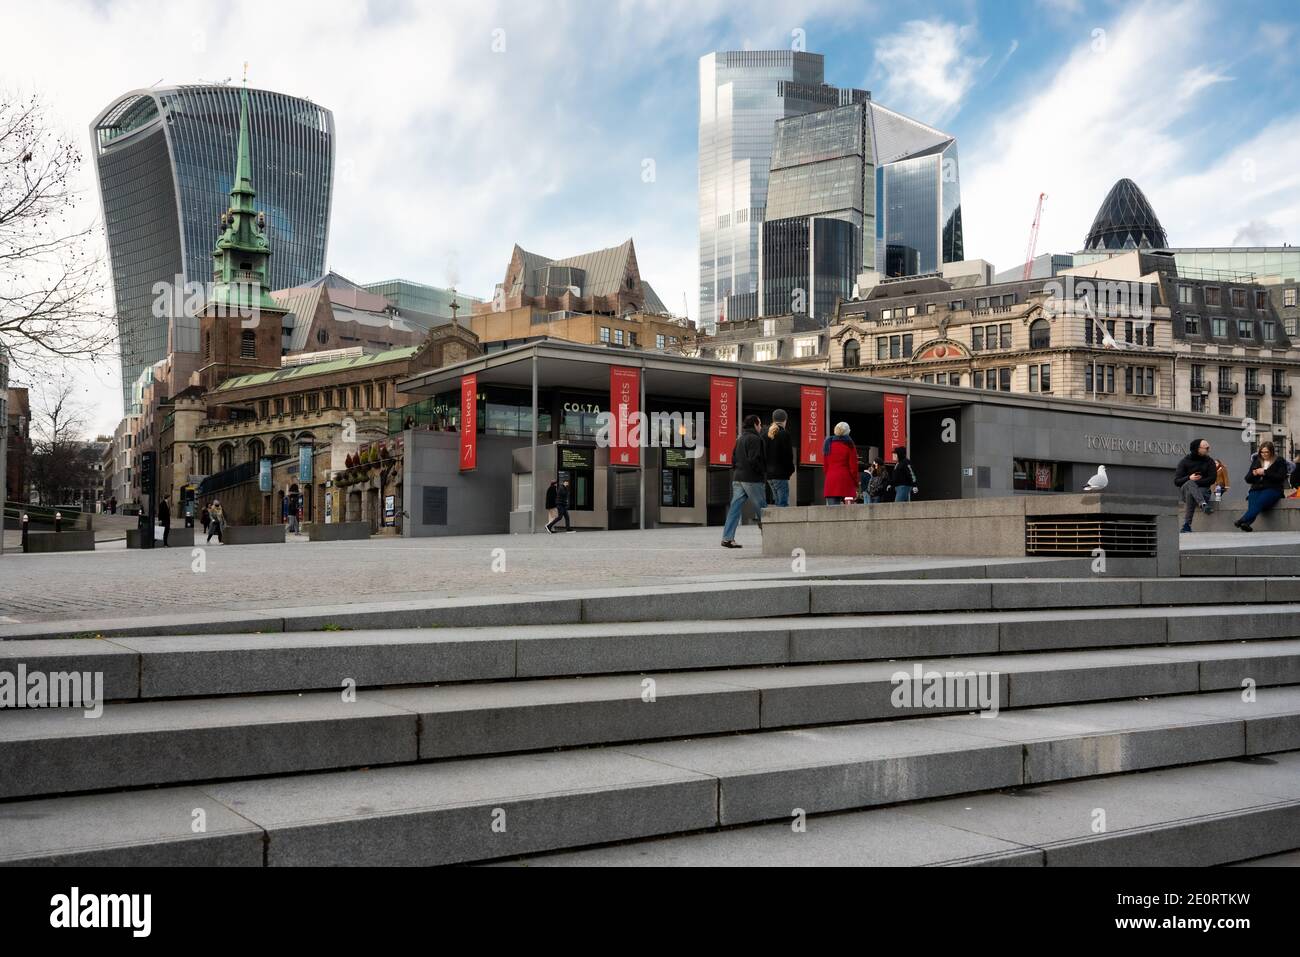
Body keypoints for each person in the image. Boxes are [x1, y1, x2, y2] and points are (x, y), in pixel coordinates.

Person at [721, 414, 767, 549]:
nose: (760, 427)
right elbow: (754, 460)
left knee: (734, 509)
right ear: (755, 424)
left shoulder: (740, 439)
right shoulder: (755, 439)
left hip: (738, 477)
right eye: (759, 424)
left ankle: (727, 538)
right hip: (752, 478)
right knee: (762, 509)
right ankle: (772, 537)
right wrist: (761, 472)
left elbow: (733, 458)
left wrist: (737, 470)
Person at [1235, 441, 1289, 531]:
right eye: (1262, 452)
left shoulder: (1279, 460)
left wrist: (1265, 472)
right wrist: (1254, 474)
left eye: (1266, 452)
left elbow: (1281, 477)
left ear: (1271, 452)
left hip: (1273, 489)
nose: (1264, 454)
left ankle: (1242, 520)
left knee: (1259, 502)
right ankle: (1246, 524)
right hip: (1256, 488)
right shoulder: (1257, 461)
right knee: (1253, 502)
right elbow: (1247, 479)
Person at [1174, 438, 1217, 533]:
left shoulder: (1210, 461)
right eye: (1206, 448)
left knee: (1191, 492)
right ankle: (1203, 505)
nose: (1209, 450)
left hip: (1204, 493)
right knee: (1189, 483)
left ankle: (1186, 525)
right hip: (1185, 493)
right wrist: (1189, 478)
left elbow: (1212, 479)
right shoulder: (1184, 461)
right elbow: (1177, 481)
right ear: (1198, 449)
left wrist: (1195, 482)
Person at [822, 422, 859, 505]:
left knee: (832, 513)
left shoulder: (828, 444)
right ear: (847, 432)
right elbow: (853, 467)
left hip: (831, 481)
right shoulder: (850, 445)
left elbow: (825, 466)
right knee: (848, 513)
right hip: (846, 482)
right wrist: (856, 482)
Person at [764, 409, 795, 507]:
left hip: (769, 474)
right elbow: (788, 455)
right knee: (783, 503)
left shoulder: (765, 434)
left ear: (773, 419)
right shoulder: (784, 434)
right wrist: (790, 470)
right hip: (781, 474)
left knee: (777, 502)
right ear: (785, 420)